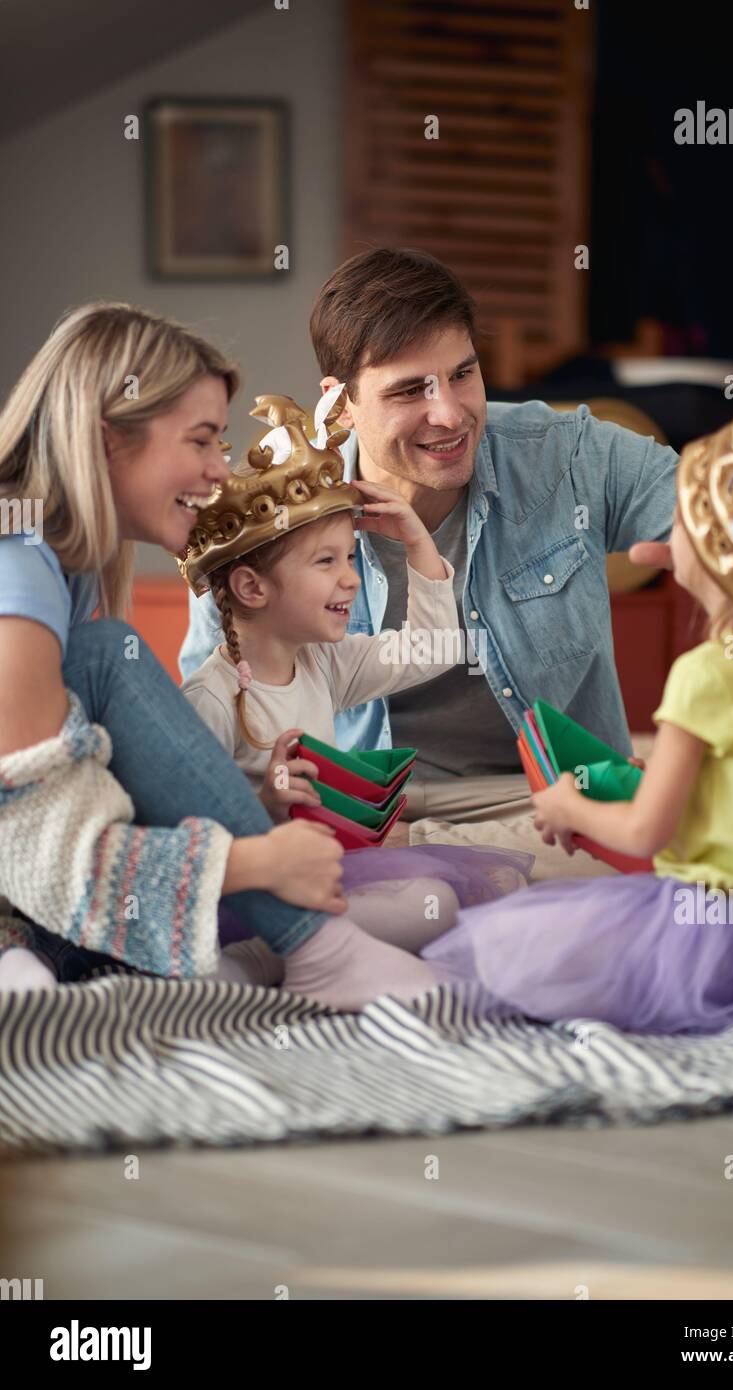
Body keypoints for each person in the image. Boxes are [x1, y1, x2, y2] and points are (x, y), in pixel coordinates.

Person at [0, 303, 443, 1007]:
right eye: (202, 441)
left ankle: (294, 952)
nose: (218, 471)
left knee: (422, 899)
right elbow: (56, 862)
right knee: (108, 651)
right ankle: (316, 952)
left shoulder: (68, 572)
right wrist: (254, 860)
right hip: (39, 902)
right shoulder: (17, 581)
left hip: (67, 905)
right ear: (108, 439)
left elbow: (427, 651)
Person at [180, 248, 678, 867]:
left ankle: (432, 867)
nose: (449, 414)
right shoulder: (266, 513)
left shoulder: (566, 458)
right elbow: (210, 734)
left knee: (671, 845)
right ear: (340, 403)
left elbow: (730, 514)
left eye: (463, 374)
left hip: (540, 802)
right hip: (350, 814)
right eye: (410, 389)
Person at [422, 366, 733, 1038]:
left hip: (708, 934)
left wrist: (568, 805)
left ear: (716, 552)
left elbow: (643, 835)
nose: (665, 529)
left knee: (507, 960)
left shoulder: (704, 675)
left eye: (681, 518)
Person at [177, 389, 531, 985]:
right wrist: (266, 805)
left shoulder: (324, 663)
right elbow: (183, 835)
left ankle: (287, 959)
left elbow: (433, 649)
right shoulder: (209, 700)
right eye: (326, 563)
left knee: (438, 899)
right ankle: (263, 960)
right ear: (252, 587)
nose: (349, 579)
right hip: (248, 895)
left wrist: (417, 542)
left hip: (321, 879)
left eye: (350, 557)